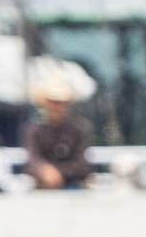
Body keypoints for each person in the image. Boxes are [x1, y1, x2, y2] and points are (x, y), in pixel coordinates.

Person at [23, 61, 95, 190]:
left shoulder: (79, 129)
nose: (57, 107)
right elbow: (32, 160)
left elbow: (81, 165)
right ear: (45, 103)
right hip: (43, 188)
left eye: (61, 102)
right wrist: (44, 171)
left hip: (74, 187)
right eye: (53, 102)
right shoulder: (34, 130)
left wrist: (56, 173)